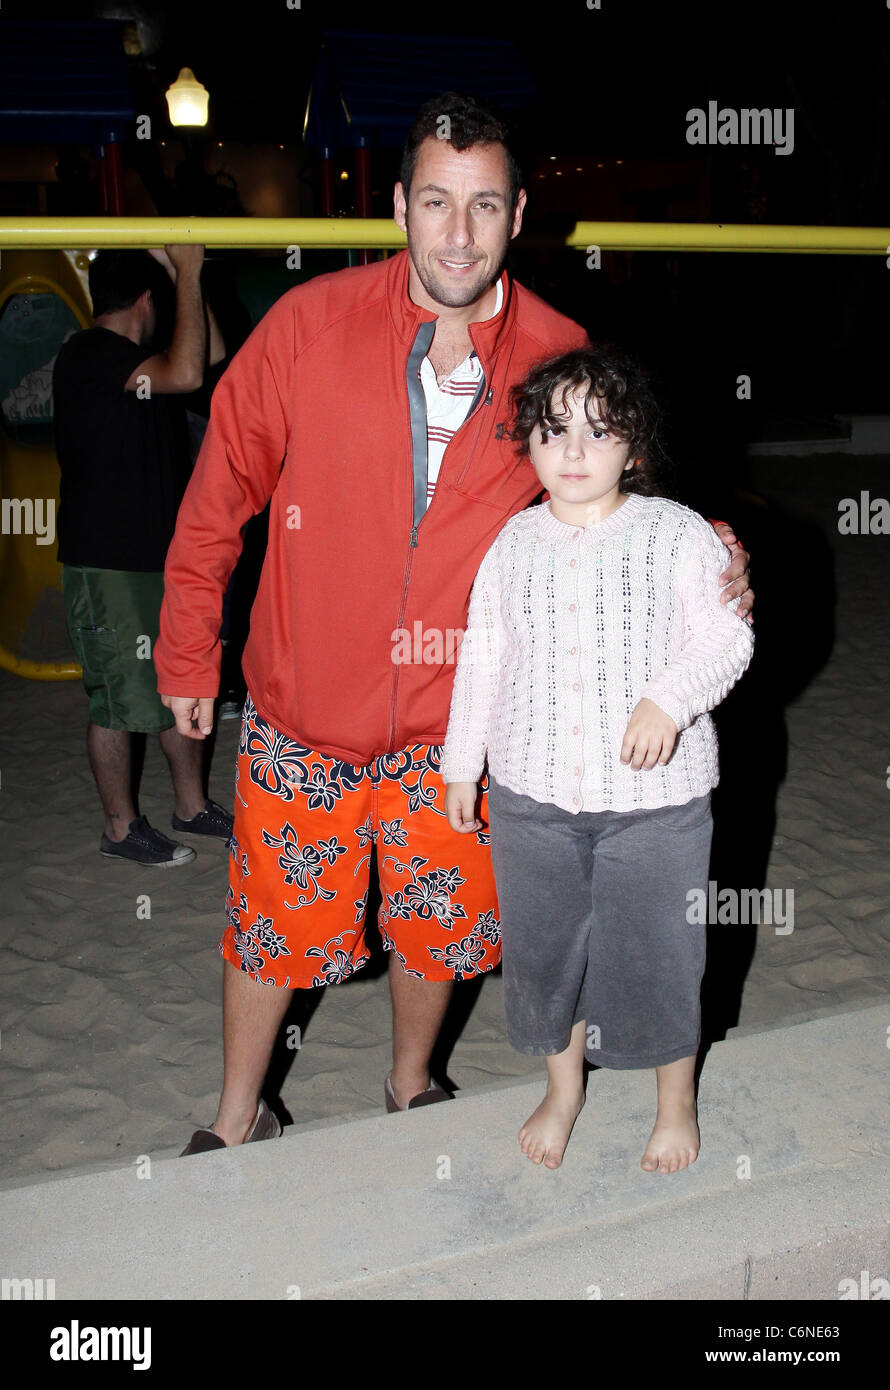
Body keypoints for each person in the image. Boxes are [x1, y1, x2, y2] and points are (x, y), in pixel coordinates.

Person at [153, 94, 753, 1156]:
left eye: (483, 205)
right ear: (398, 207)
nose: (459, 233)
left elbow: (620, 491)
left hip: (461, 732)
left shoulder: (558, 351)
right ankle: (236, 1114)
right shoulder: (306, 327)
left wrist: (713, 548)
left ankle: (408, 1082)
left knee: (439, 929)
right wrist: (190, 642)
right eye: (436, 202)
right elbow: (217, 498)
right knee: (268, 934)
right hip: (303, 714)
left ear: (517, 213)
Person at [441, 345, 755, 1173]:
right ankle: (563, 1085)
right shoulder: (513, 542)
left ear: (634, 443)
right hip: (531, 798)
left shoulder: (676, 532)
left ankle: (674, 1098)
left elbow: (727, 633)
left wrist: (670, 698)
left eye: (597, 431)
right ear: (529, 443)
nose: (572, 452)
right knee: (546, 950)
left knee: (660, 950)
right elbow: (484, 655)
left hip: (657, 803)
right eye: (552, 432)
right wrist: (460, 765)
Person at [53, 246, 233, 866]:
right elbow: (186, 373)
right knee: (117, 699)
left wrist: (192, 275)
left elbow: (206, 357)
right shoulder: (89, 354)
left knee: (174, 684)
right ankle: (121, 828)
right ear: (146, 301)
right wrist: (183, 270)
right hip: (108, 564)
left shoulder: (131, 360)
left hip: (156, 559)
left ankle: (191, 806)